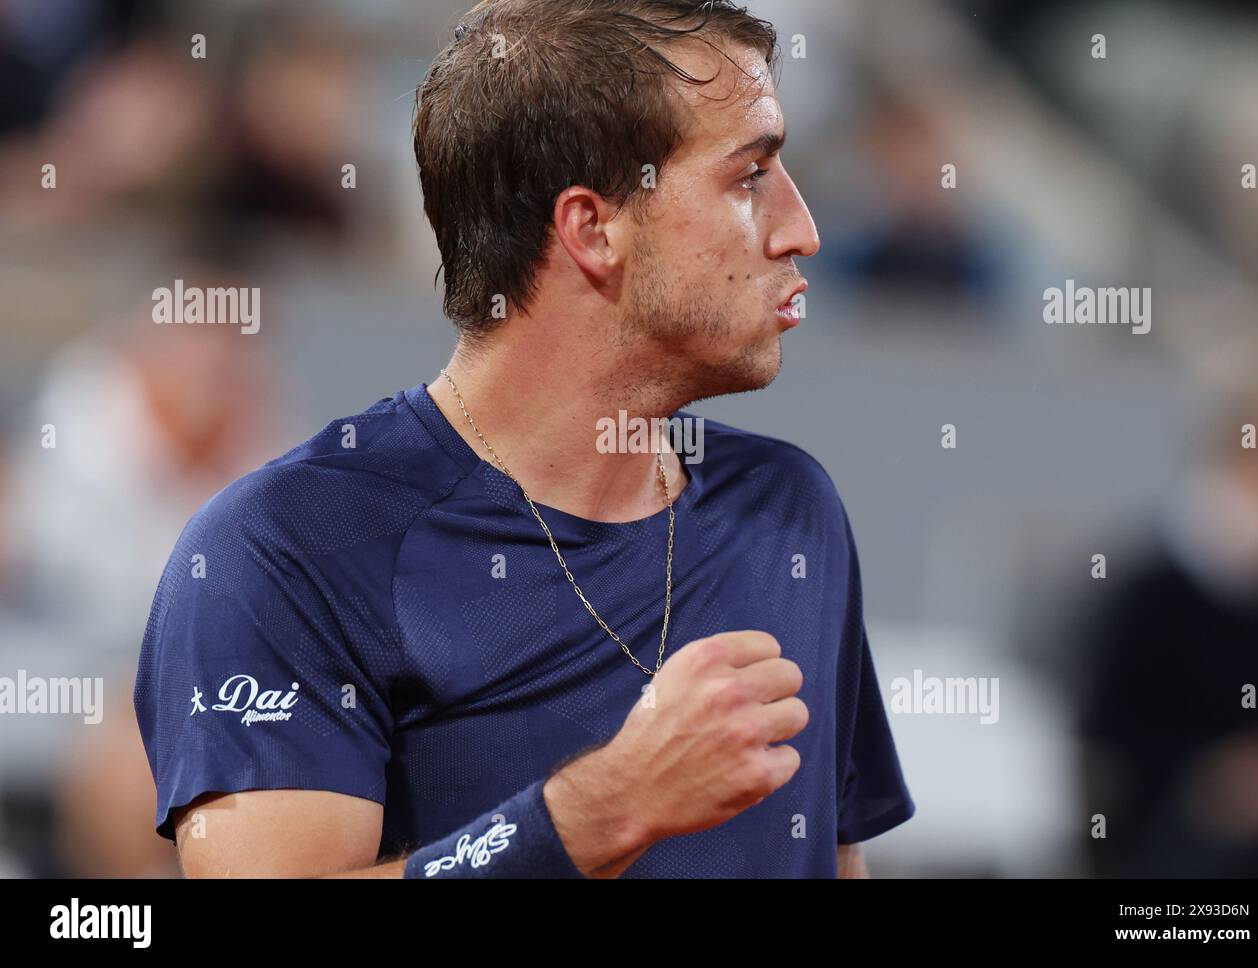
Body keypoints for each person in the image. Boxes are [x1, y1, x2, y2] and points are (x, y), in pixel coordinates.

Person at [134, 0, 914, 879]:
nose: (802, 228)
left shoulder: (789, 511)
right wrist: (596, 814)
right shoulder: (287, 545)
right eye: (750, 176)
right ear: (593, 229)